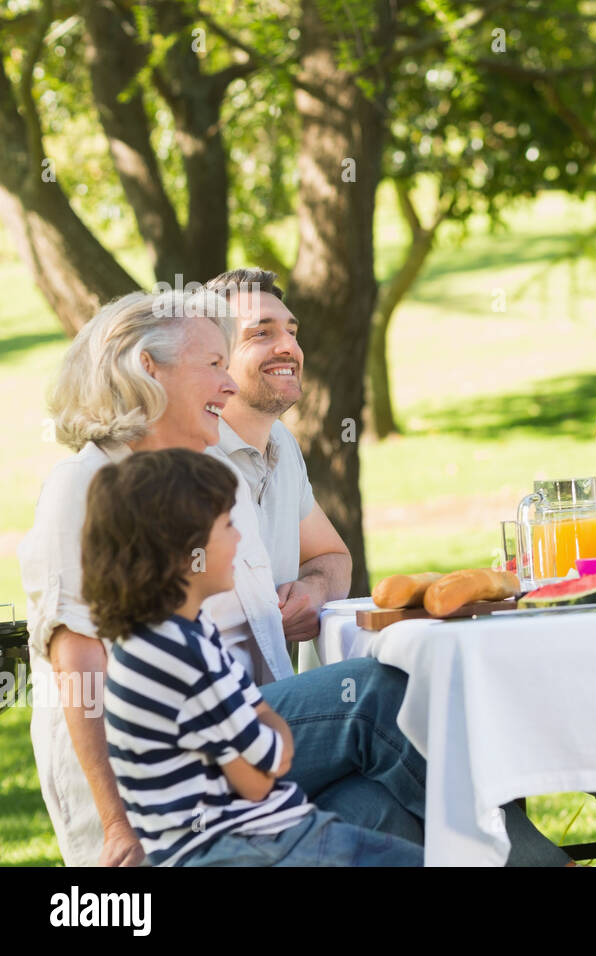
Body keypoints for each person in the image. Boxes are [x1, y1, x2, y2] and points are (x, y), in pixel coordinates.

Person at [19, 290, 567, 866]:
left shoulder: (200, 478)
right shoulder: (82, 488)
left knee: (378, 803)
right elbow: (76, 669)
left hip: (236, 760)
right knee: (379, 696)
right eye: (213, 365)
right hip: (157, 798)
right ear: (146, 369)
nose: (228, 384)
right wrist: (116, 827)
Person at [86, 448, 423, 866]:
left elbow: (256, 734)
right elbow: (260, 778)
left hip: (260, 836)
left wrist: (262, 738)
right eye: (227, 524)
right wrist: (265, 738)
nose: (240, 537)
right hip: (247, 849)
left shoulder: (169, 635)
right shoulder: (181, 653)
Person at [202, 269, 350, 647]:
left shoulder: (281, 443)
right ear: (212, 359)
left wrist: (312, 592)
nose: (289, 347)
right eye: (261, 333)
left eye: (292, 332)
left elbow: (333, 556)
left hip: (266, 690)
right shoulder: (187, 461)